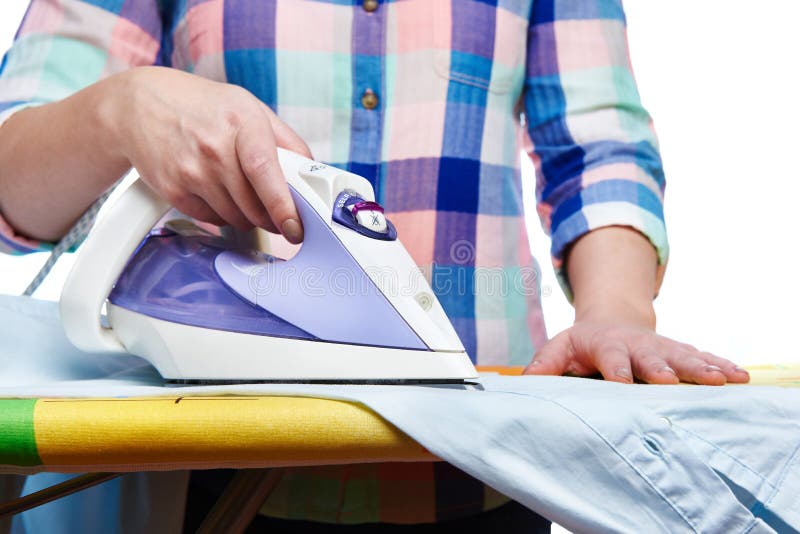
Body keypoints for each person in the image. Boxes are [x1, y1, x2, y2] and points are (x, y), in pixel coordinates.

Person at [0, 0, 751, 531]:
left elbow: (597, 150)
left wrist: (614, 314)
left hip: (487, 471)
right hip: (209, 477)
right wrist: (122, 108)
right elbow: (13, 180)